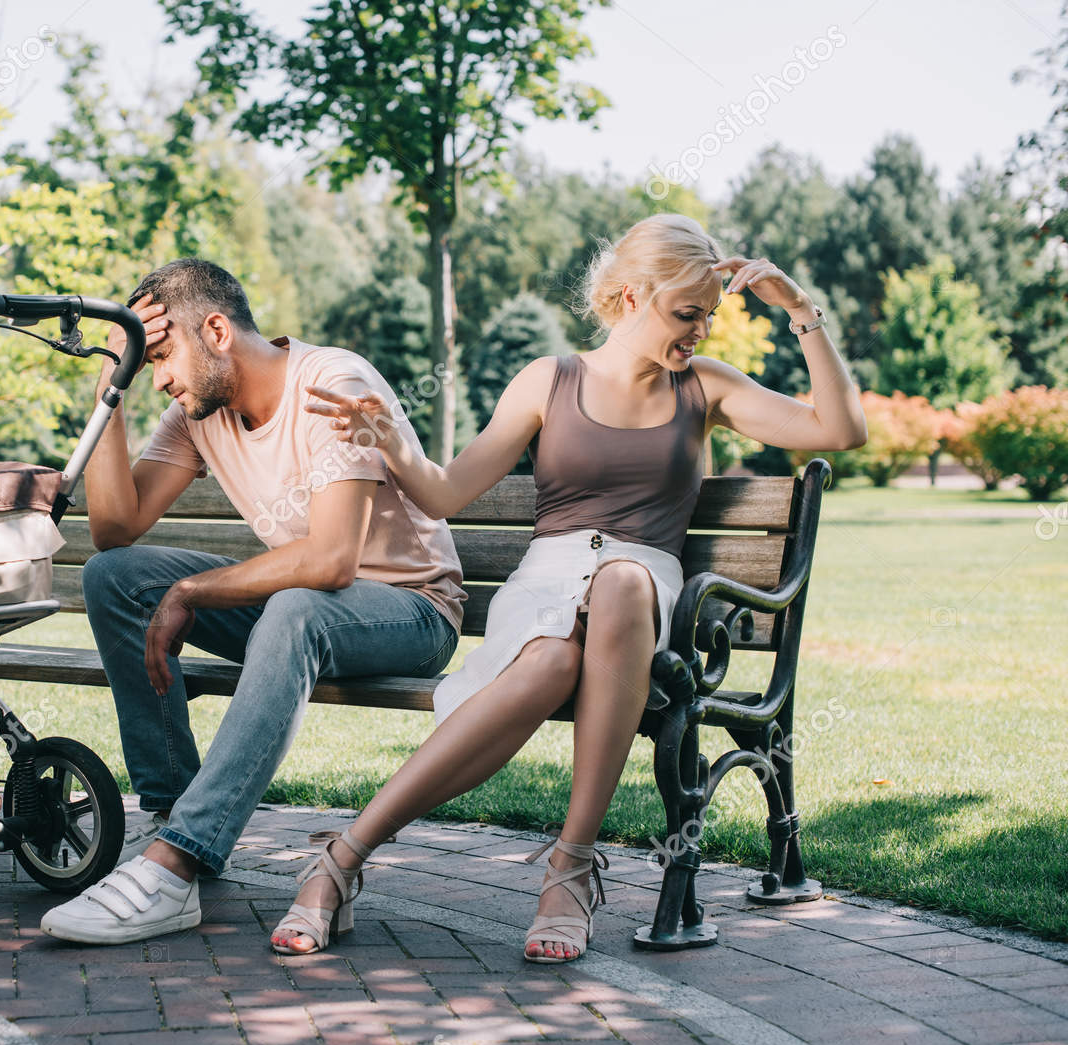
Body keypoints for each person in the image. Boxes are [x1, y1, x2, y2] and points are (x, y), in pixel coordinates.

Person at [271, 214, 867, 963]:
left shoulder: (705, 387)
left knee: (618, 581)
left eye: (708, 316)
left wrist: (800, 309)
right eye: (688, 314)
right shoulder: (548, 382)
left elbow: (841, 430)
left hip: (641, 585)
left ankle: (572, 865)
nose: (702, 333)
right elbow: (446, 493)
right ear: (627, 299)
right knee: (551, 662)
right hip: (546, 586)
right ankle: (344, 856)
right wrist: (392, 443)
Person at [39, 258, 466, 945]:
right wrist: (107, 394)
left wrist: (191, 591)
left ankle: (176, 865)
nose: (161, 379)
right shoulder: (198, 412)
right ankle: (173, 814)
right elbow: (115, 530)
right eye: (143, 366)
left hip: (410, 609)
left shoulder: (331, 384)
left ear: (215, 330)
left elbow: (332, 560)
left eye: (161, 356)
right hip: (306, 608)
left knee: (296, 606)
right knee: (112, 576)